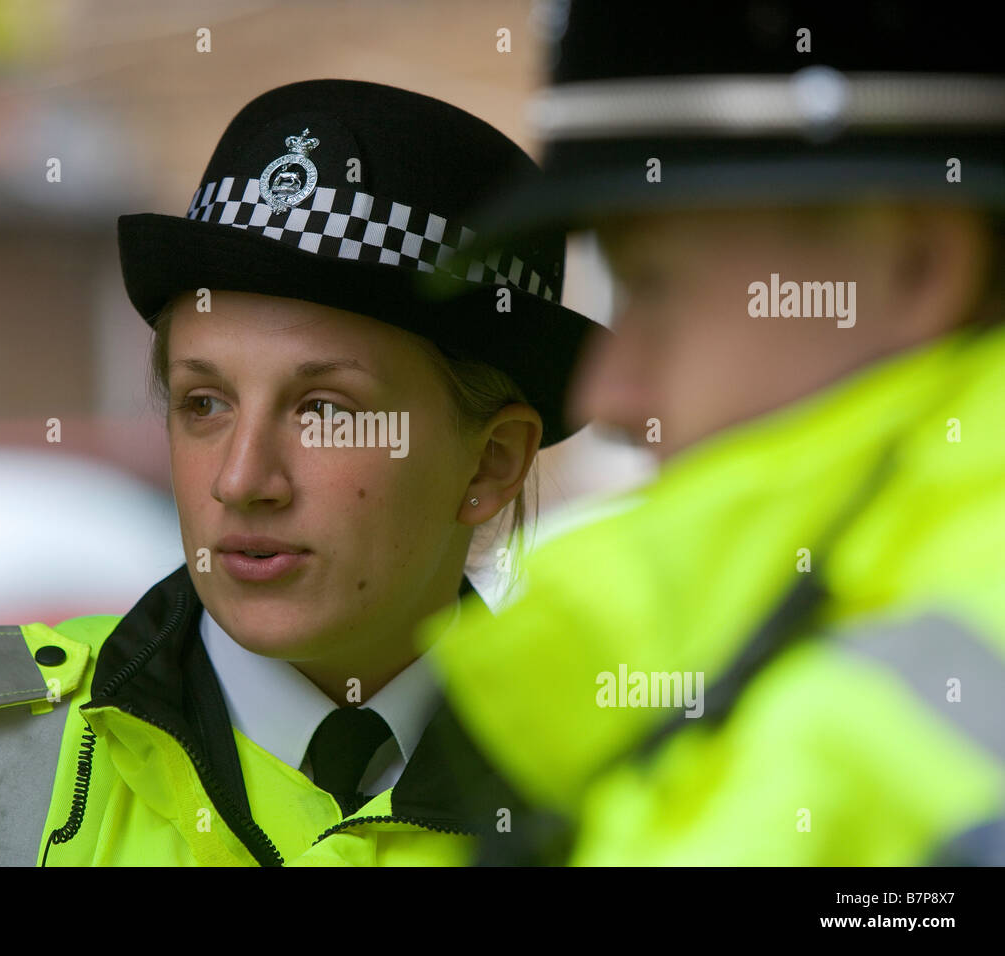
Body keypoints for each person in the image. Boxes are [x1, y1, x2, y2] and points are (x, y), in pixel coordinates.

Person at [0, 79, 599, 866]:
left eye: (325, 411)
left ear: (490, 462)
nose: (241, 479)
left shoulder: (632, 788)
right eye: (204, 403)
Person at [425, 1, 1005, 865]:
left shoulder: (886, 739)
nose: (607, 395)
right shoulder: (793, 669)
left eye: (652, 286)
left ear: (916, 266)